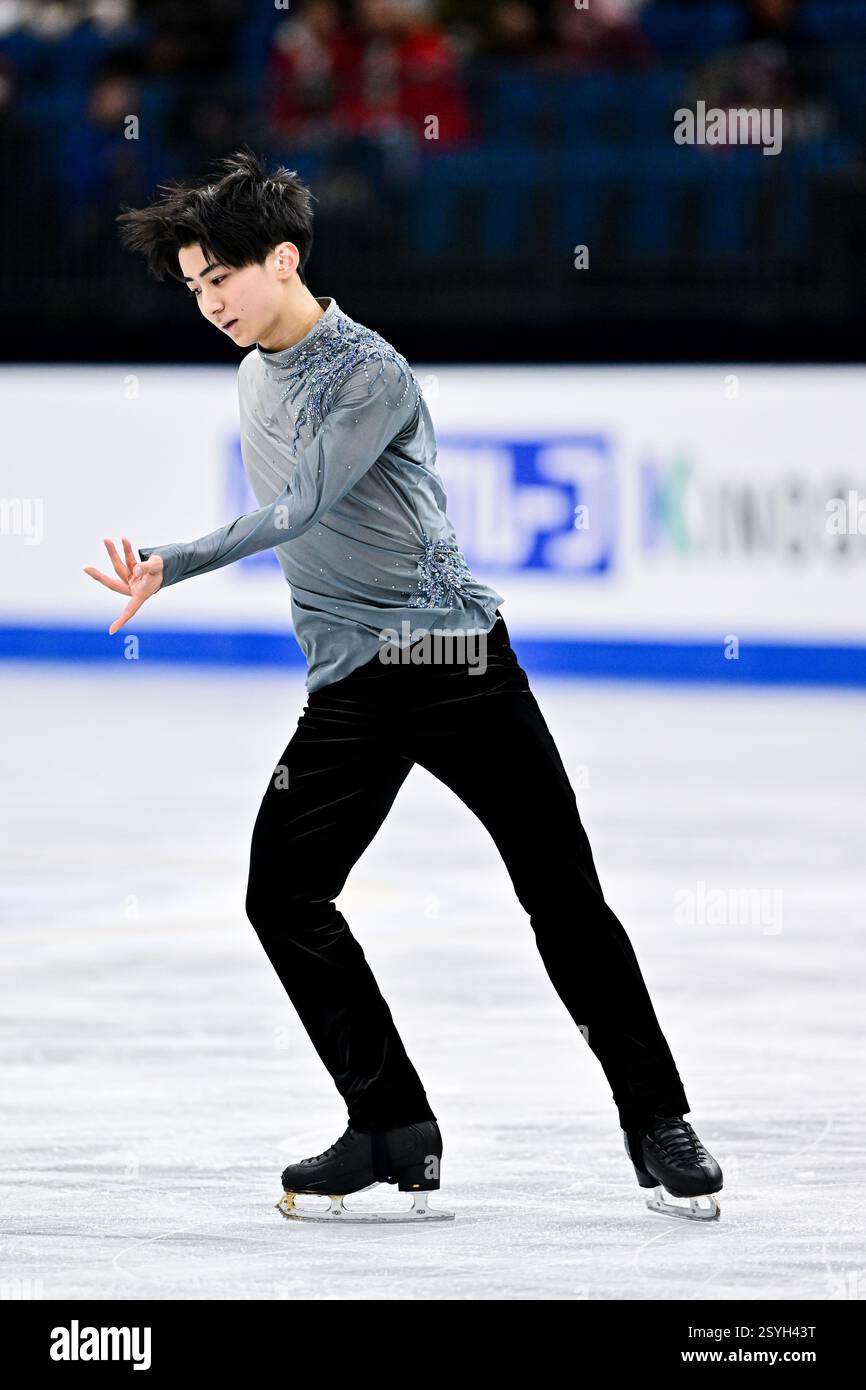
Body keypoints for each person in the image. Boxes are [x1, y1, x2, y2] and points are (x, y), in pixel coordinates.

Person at [86, 147, 723, 1223]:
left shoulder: (369, 370)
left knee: (560, 897)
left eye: (220, 280)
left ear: (283, 259)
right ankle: (391, 1126)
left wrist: (172, 560)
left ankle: (656, 1120)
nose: (207, 304)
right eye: (192, 288)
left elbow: (299, 509)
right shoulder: (252, 375)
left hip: (452, 662)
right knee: (279, 892)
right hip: (351, 686)